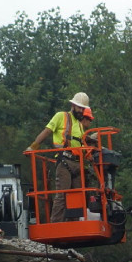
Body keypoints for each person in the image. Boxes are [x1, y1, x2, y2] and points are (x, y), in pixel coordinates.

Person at [28, 92, 96, 222]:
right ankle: (56, 223)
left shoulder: (79, 125)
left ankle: (74, 223)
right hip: (65, 161)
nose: (81, 111)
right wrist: (33, 147)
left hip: (78, 163)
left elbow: (80, 143)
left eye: (83, 108)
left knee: (78, 195)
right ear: (73, 105)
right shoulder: (61, 116)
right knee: (62, 194)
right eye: (79, 108)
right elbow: (47, 131)